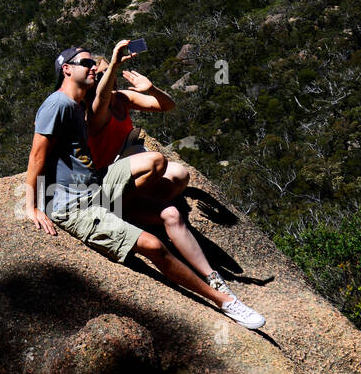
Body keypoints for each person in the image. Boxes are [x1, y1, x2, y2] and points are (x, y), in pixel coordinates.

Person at [23, 44, 265, 329]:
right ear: (67, 69)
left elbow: (160, 105)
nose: (91, 68)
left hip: (96, 184)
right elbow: (37, 155)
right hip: (74, 205)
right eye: (86, 63)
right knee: (152, 243)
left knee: (171, 212)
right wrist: (32, 206)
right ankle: (225, 302)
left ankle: (214, 278)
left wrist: (150, 88)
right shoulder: (59, 104)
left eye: (94, 64)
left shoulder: (76, 104)